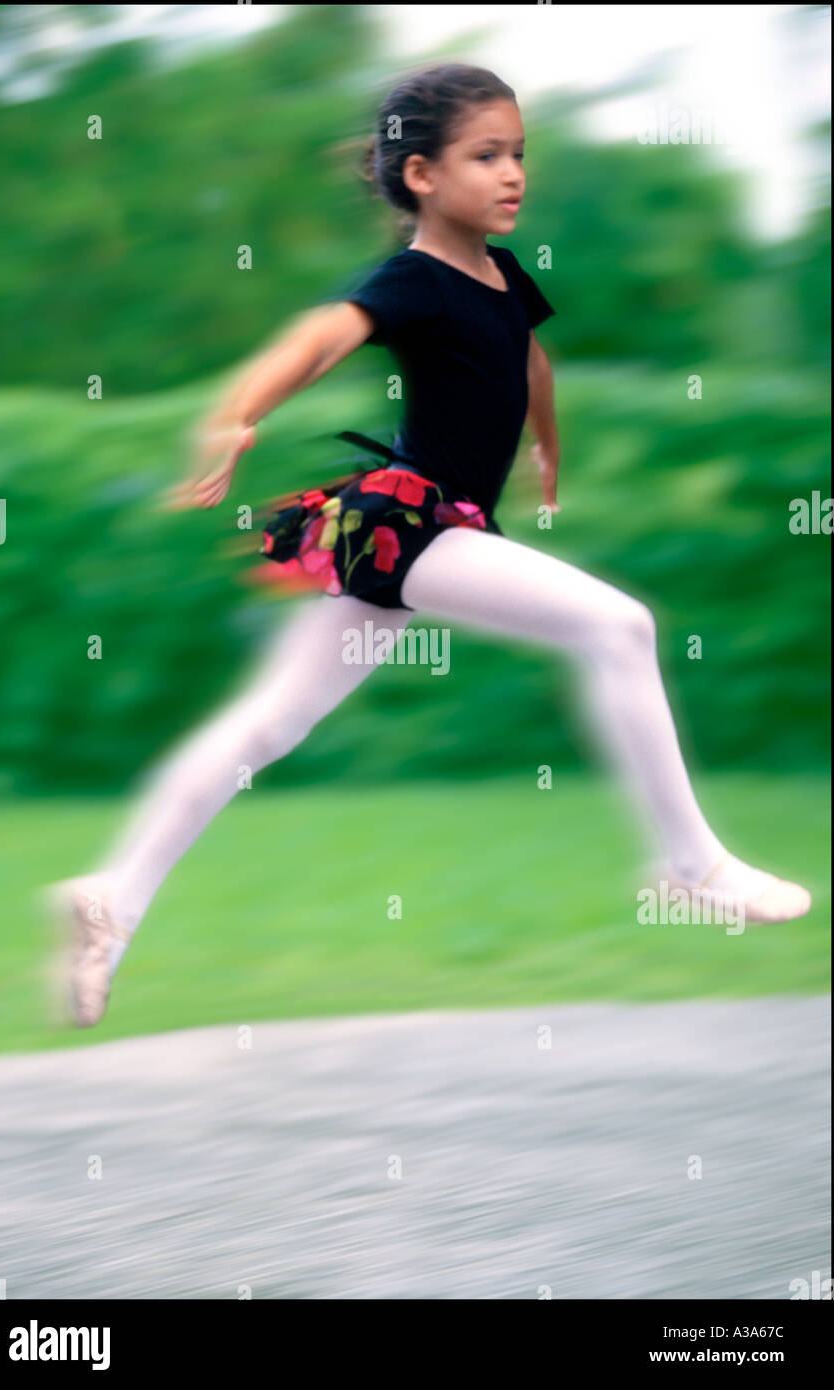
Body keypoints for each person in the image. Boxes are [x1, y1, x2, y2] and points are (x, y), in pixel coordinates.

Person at [45, 63, 811, 1029]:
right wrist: (240, 411)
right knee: (618, 626)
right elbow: (322, 338)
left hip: (419, 534)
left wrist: (545, 444)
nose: (512, 173)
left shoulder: (501, 277)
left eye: (518, 154)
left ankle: (114, 896)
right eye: (485, 155)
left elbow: (526, 355)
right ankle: (691, 863)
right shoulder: (412, 281)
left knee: (269, 725)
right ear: (419, 177)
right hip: (414, 530)